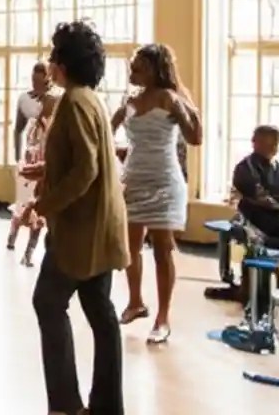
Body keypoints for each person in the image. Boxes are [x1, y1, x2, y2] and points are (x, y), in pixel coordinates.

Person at [29, 20, 129, 415]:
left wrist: (45, 203)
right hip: (102, 226)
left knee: (48, 302)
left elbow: (86, 169)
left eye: (54, 56)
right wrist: (47, 171)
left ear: (64, 63)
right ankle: (105, 405)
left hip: (80, 230)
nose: (49, 63)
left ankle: (65, 404)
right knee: (100, 313)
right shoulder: (91, 99)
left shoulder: (72, 102)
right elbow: (88, 159)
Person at [111, 43, 202, 344]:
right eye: (131, 66)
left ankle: (163, 317)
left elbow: (194, 138)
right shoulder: (130, 100)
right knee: (130, 246)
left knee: (162, 248)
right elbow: (105, 131)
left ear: (154, 69)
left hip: (164, 178)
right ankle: (135, 302)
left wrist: (184, 108)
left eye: (138, 67)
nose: (132, 72)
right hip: (135, 178)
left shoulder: (169, 97)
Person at [9, 62, 56, 251]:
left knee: (40, 202)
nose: (36, 84)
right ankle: (11, 238)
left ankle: (29, 251)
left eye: (40, 80)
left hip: (46, 154)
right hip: (29, 154)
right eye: (33, 80)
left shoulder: (55, 100)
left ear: (48, 79)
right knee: (23, 201)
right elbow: (18, 129)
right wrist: (16, 157)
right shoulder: (24, 99)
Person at [232, 125, 279, 247]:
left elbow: (277, 193)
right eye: (271, 144)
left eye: (276, 144)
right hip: (253, 211)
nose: (275, 148)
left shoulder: (276, 166)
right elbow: (260, 199)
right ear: (255, 143)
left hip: (273, 210)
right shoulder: (245, 167)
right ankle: (257, 242)